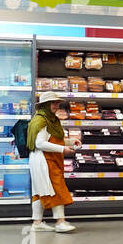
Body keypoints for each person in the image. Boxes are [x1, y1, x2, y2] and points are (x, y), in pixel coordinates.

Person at [28, 91, 81, 233]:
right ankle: (60, 222)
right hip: (44, 160)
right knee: (56, 188)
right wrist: (63, 149)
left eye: (57, 103)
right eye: (53, 103)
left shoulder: (50, 119)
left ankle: (37, 223)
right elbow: (40, 143)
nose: (57, 106)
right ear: (45, 105)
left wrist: (70, 141)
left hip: (43, 159)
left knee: (39, 191)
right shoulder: (41, 121)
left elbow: (53, 139)